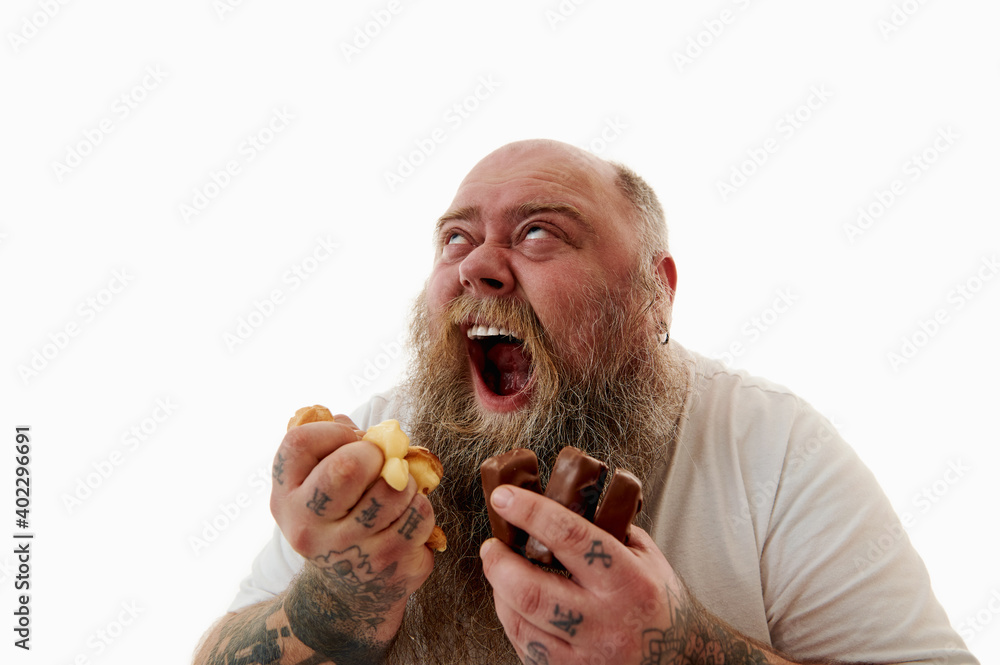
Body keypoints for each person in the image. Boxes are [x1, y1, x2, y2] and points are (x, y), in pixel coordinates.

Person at [193, 140, 978, 665]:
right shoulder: (380, 451)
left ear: (652, 295)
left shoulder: (773, 452)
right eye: (456, 240)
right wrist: (328, 606)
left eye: (538, 234)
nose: (479, 268)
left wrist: (680, 650)